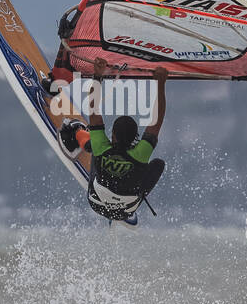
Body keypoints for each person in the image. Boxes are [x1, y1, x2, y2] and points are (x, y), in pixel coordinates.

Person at [58, 57, 167, 222]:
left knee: (96, 148)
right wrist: (160, 83)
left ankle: (74, 134)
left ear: (113, 134)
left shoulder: (104, 147)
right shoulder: (141, 153)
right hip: (126, 210)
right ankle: (131, 198)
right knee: (158, 163)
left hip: (96, 202)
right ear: (135, 138)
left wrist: (97, 75)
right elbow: (157, 120)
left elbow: (93, 109)